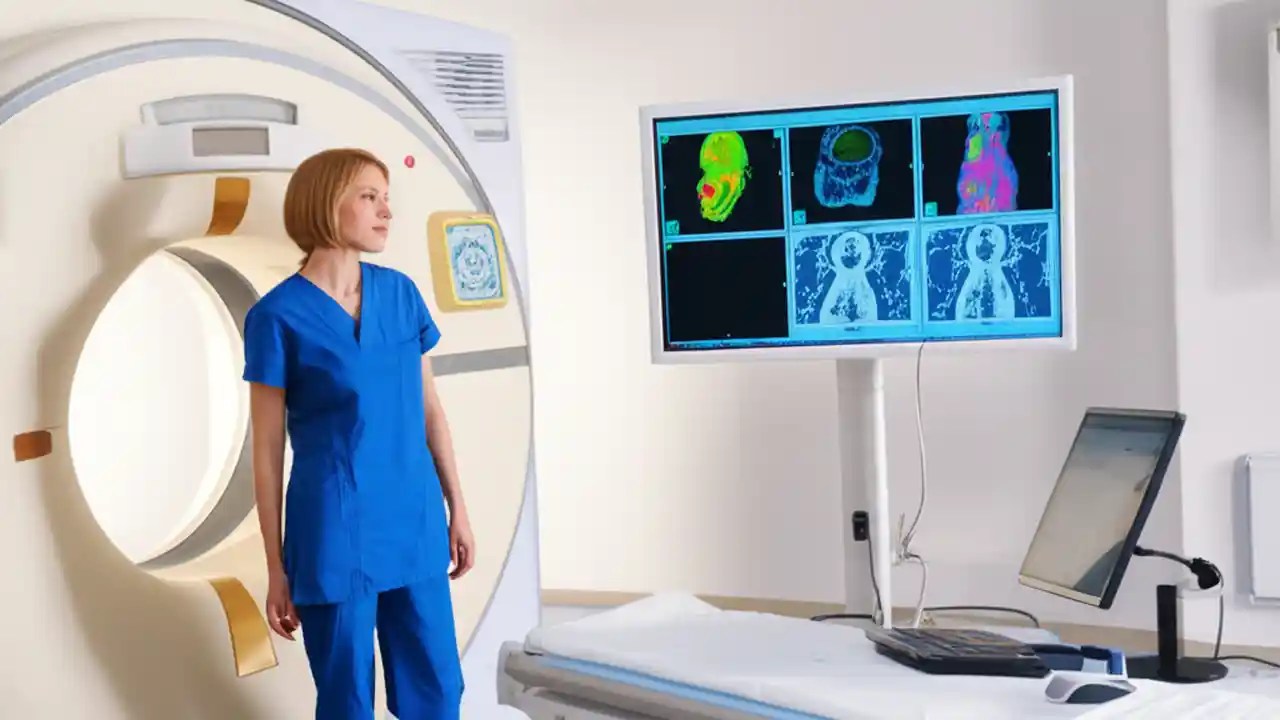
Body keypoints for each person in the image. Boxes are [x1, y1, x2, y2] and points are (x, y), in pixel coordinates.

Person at [242, 147, 475, 720]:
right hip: (334, 533)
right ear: (327, 205)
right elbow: (268, 454)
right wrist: (275, 567)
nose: (386, 212)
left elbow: (432, 413)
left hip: (414, 522)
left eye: (386, 198)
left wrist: (458, 509)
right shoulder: (276, 317)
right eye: (370, 197)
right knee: (346, 699)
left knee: (439, 690)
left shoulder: (401, 294)